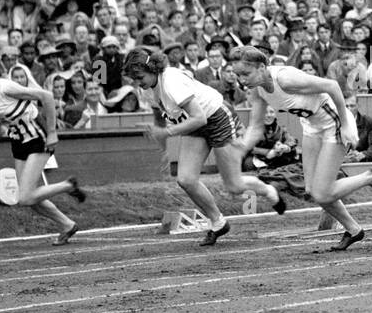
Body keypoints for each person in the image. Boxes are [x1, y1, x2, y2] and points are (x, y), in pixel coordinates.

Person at [122, 47, 286, 246]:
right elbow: (160, 116)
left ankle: (269, 191)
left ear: (152, 68)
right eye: (135, 79)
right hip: (195, 124)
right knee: (185, 179)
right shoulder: (147, 89)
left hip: (217, 118)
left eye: (140, 77)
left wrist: (166, 133)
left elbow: (198, 118)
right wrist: (163, 143)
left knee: (234, 186)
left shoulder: (171, 82)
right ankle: (218, 223)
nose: (138, 83)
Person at [230, 46, 372, 251]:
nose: (242, 79)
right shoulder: (258, 91)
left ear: (261, 67)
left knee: (323, 193)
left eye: (245, 73)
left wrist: (348, 125)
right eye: (238, 75)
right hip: (312, 125)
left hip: (334, 121)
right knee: (312, 190)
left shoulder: (284, 79)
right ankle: (354, 230)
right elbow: (256, 127)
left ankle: (370, 177)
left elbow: (331, 85)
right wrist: (239, 150)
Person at [0, 50, 85, 245]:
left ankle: (68, 185)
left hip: (37, 135)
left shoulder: (4, 87)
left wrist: (52, 132)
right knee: (29, 198)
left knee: (25, 197)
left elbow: (47, 96)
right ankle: (68, 225)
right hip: (18, 142)